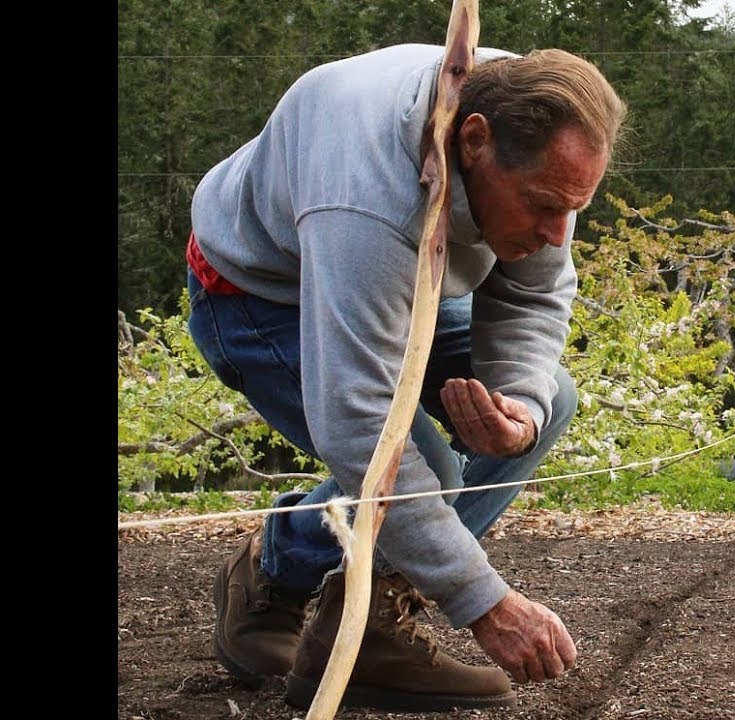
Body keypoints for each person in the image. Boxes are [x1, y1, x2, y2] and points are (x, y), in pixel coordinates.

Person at [184, 43, 626, 712]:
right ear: (473, 143)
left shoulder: (537, 120)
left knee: (552, 397)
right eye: (543, 206)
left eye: (573, 207)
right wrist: (484, 602)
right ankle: (283, 570)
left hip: (408, 275)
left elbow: (534, 293)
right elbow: (359, 426)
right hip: (261, 296)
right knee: (426, 471)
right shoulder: (364, 197)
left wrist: (522, 408)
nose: (559, 233)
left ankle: (367, 618)